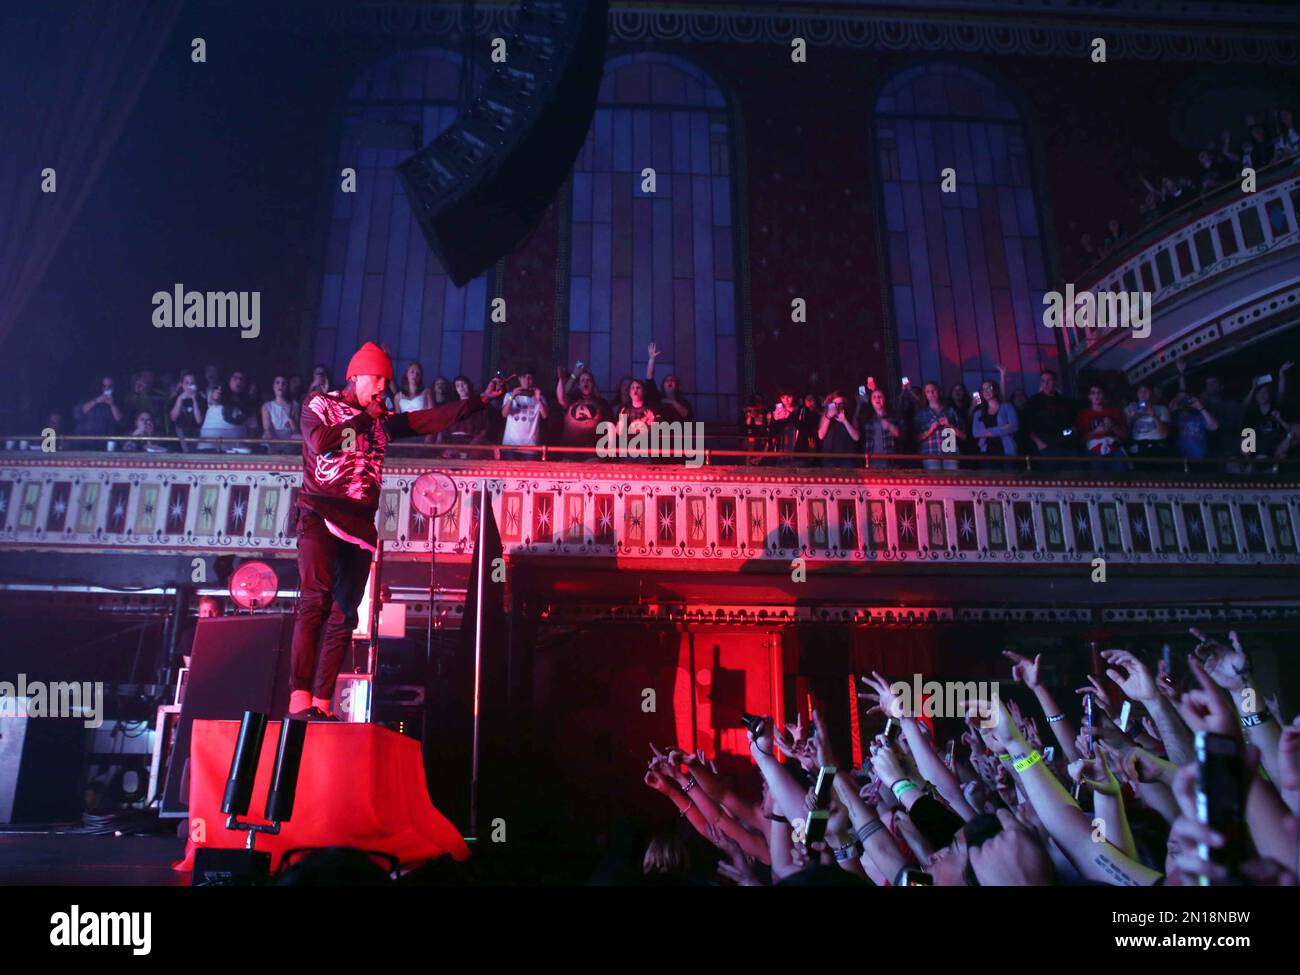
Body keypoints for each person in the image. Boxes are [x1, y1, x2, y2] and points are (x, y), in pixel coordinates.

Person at [289, 342, 503, 720]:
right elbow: (321, 443)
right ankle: (298, 699)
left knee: (344, 615)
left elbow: (428, 420)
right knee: (314, 602)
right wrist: (366, 418)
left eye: (387, 381)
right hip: (320, 512)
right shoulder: (320, 405)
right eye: (378, 378)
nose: (383, 388)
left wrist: (480, 402)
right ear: (355, 375)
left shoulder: (382, 419)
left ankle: (321, 705)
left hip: (359, 524)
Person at [1021, 370, 1078, 468]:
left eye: (1049, 380)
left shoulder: (1065, 401)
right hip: (1044, 446)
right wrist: (1039, 443)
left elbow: (1073, 423)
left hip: (1065, 444)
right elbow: (1026, 425)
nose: (1046, 384)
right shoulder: (1033, 401)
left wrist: (1069, 434)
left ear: (1055, 382)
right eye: (1043, 381)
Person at [555, 366, 613, 460]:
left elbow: (610, 427)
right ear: (579, 385)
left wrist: (609, 450)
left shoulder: (602, 403)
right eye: (582, 380)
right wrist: (561, 379)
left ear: (593, 384)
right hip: (570, 451)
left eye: (588, 380)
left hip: (593, 453)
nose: (586, 382)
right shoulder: (573, 399)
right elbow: (561, 398)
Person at [912, 382, 963, 471]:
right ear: (925, 395)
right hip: (930, 454)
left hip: (950, 453)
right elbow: (915, 438)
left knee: (952, 482)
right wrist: (929, 431)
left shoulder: (951, 411)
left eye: (933, 390)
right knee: (935, 482)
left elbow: (963, 435)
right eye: (928, 391)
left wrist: (950, 425)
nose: (931, 393)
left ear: (939, 391)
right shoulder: (921, 414)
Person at [1076, 384, 1127, 468]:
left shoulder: (1115, 412)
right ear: (1089, 396)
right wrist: (1095, 432)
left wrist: (1112, 426)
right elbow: (1080, 440)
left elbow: (1124, 436)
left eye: (1099, 393)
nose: (1097, 396)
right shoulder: (1083, 415)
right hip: (1094, 449)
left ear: (1103, 395)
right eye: (1093, 393)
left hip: (1114, 447)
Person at [501, 369, 548, 459]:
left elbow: (545, 415)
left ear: (533, 380)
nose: (526, 380)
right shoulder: (509, 395)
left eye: (529, 377)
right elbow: (504, 414)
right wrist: (512, 397)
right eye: (523, 377)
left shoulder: (540, 397)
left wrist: (538, 400)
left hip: (531, 447)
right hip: (510, 446)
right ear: (519, 379)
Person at [971, 379, 1019, 462]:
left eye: (989, 388)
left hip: (1007, 452)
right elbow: (976, 432)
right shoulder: (978, 413)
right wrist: (1003, 428)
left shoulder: (1007, 407)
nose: (986, 391)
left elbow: (1013, 426)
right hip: (986, 452)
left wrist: (990, 431)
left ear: (995, 390)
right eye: (984, 389)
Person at [856, 384, 902, 469]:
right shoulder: (866, 418)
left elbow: (900, 435)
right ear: (871, 400)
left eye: (880, 396)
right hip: (871, 459)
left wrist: (890, 426)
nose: (877, 399)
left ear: (884, 399)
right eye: (874, 397)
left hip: (889, 459)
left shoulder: (892, 416)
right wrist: (859, 405)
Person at [645, 342, 693, 422]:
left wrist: (673, 402)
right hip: (660, 432)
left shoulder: (683, 402)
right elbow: (649, 380)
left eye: (672, 380)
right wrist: (651, 360)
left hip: (679, 433)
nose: (669, 382)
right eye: (667, 380)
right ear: (663, 385)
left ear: (677, 385)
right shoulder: (658, 398)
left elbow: (686, 415)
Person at [1124, 384, 1173, 461]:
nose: (1143, 394)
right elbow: (1125, 434)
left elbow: (1165, 434)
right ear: (1137, 394)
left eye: (1146, 391)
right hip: (1138, 444)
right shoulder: (1129, 409)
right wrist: (1130, 418)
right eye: (1140, 391)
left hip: (1157, 444)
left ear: (1151, 393)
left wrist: (1154, 415)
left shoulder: (1162, 409)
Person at [75, 377, 123, 450]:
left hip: (105, 441)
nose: (107, 388)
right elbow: (80, 412)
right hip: (86, 439)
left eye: (109, 386)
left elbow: (119, 419)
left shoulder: (118, 399)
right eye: (104, 386)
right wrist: (97, 400)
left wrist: (112, 404)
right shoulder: (89, 396)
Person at [817, 390, 860, 469]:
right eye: (835, 404)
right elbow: (820, 436)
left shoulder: (850, 416)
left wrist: (845, 421)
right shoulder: (826, 416)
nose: (838, 406)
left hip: (848, 459)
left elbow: (856, 437)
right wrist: (828, 417)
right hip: (830, 459)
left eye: (841, 404)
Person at [169, 372, 206, 447]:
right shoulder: (175, 398)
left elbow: (199, 420)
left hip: (195, 436)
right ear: (182, 385)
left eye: (192, 383)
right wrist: (179, 399)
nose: (189, 385)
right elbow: (173, 418)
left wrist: (194, 400)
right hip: (178, 437)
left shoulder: (201, 399)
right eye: (187, 383)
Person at [261, 375, 298, 446]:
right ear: (273, 386)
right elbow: (267, 429)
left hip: (289, 440)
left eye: (283, 383)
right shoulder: (267, 406)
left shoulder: (294, 405)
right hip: (273, 438)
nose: (280, 385)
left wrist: (290, 418)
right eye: (277, 383)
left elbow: (296, 431)